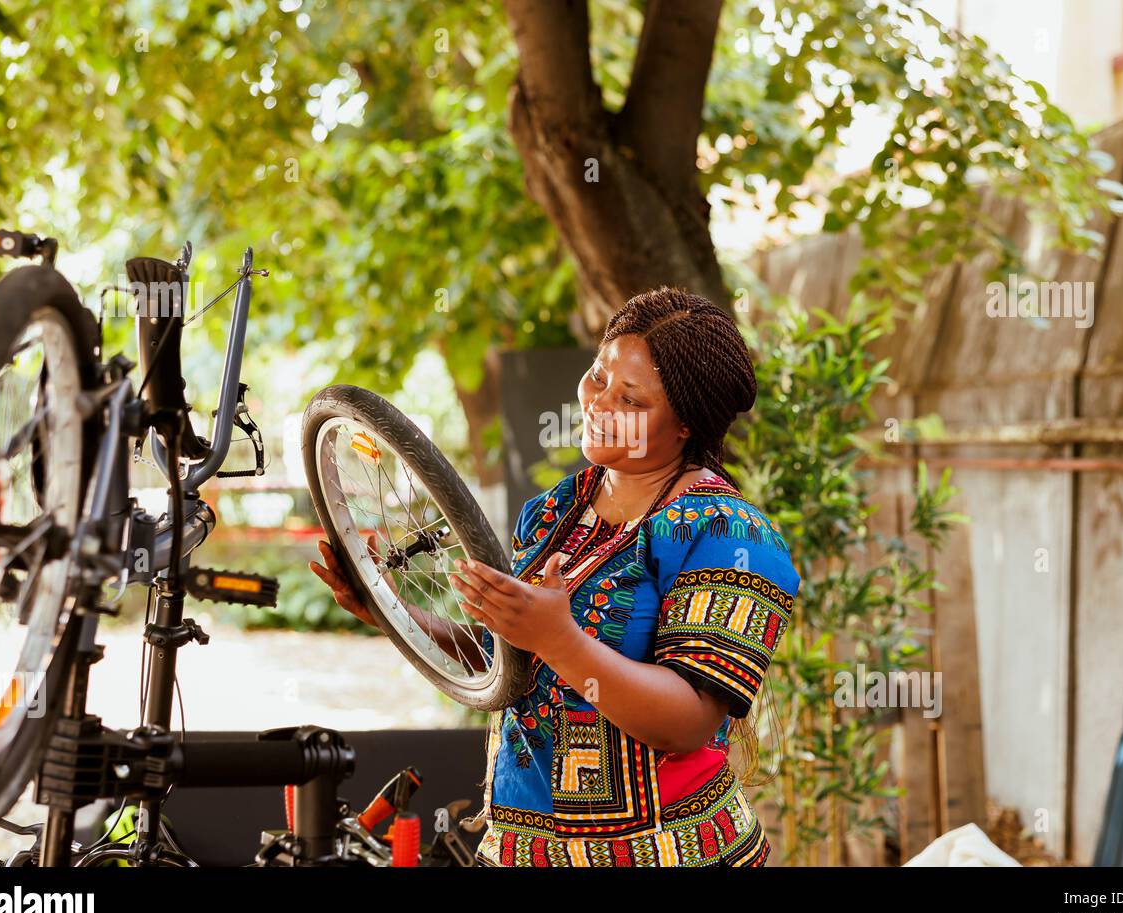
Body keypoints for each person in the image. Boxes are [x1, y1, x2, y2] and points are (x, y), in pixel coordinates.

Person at [312, 287, 800, 867]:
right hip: (523, 852)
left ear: (686, 425)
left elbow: (688, 722)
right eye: (597, 377)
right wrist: (391, 610)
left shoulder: (729, 535)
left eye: (632, 400)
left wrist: (559, 639)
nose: (599, 404)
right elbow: (511, 665)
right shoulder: (553, 512)